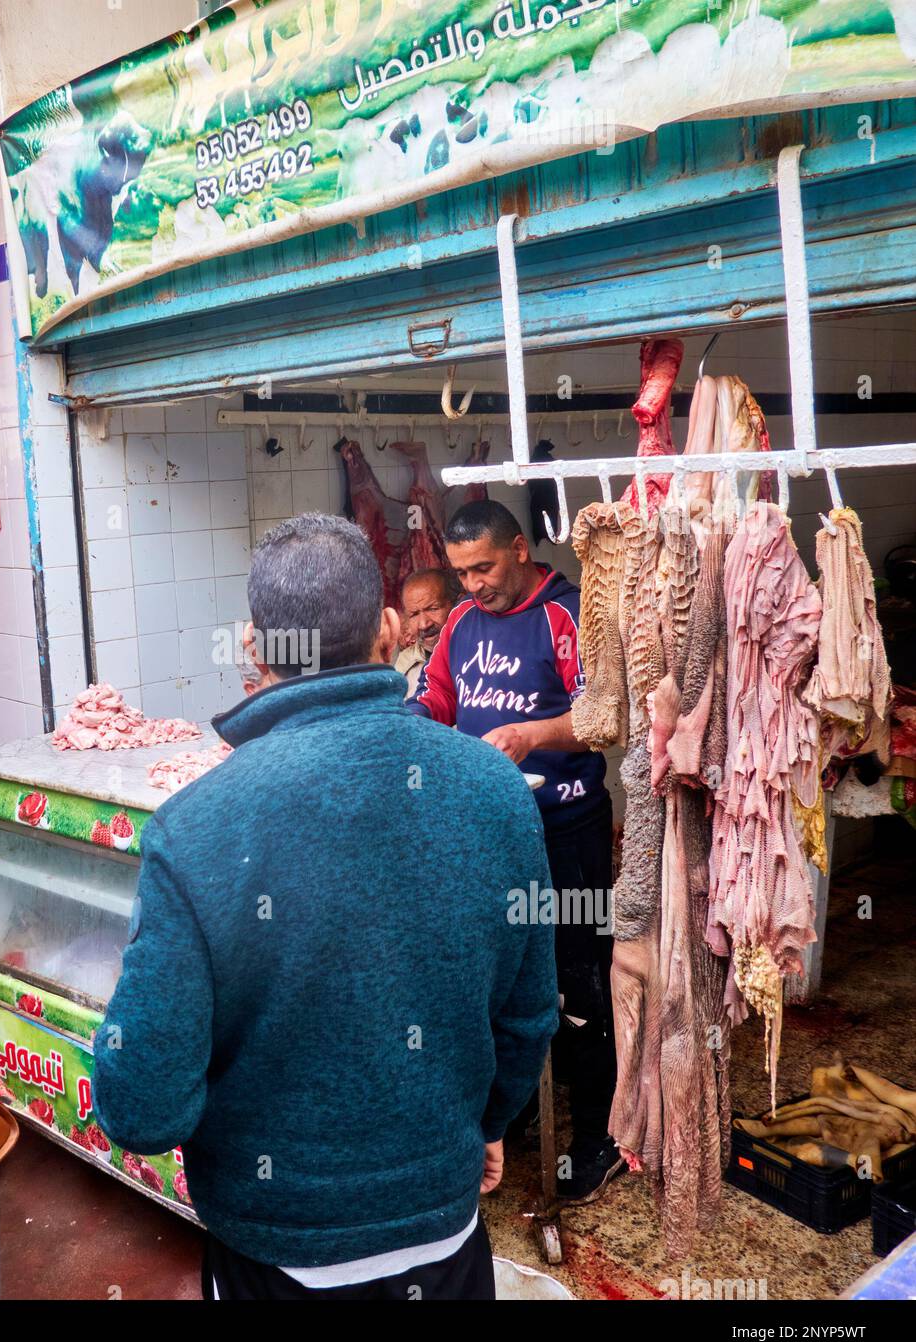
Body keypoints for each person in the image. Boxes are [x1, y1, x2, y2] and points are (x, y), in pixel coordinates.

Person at [93, 513, 557, 1300]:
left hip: (272, 1254)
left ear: (254, 646)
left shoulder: (196, 826)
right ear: (386, 629)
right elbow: (528, 1017)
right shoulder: (496, 792)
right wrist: (484, 1124)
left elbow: (143, 1106)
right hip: (446, 1240)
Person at [408, 499, 618, 1198]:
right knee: (505, 983)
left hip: (566, 830)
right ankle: (517, 1112)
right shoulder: (462, 625)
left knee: (578, 986)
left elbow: (602, 719)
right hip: (487, 834)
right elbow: (435, 699)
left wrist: (532, 736)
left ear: (521, 549)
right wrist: (401, 726)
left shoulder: (566, 615)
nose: (474, 585)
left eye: (485, 568)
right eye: (463, 572)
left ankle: (599, 1137)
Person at [395, 567, 460, 697]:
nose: (424, 625)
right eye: (414, 615)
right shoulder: (405, 664)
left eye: (433, 609)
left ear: (458, 603)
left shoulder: (481, 651)